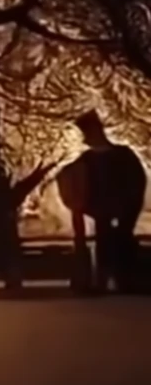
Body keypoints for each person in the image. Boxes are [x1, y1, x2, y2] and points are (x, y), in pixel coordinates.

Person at [56, 110, 146, 294]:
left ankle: (124, 279)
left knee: (122, 239)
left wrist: (129, 206)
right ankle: (109, 279)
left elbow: (136, 182)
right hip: (103, 210)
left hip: (123, 208)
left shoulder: (122, 155)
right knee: (106, 240)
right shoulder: (87, 160)